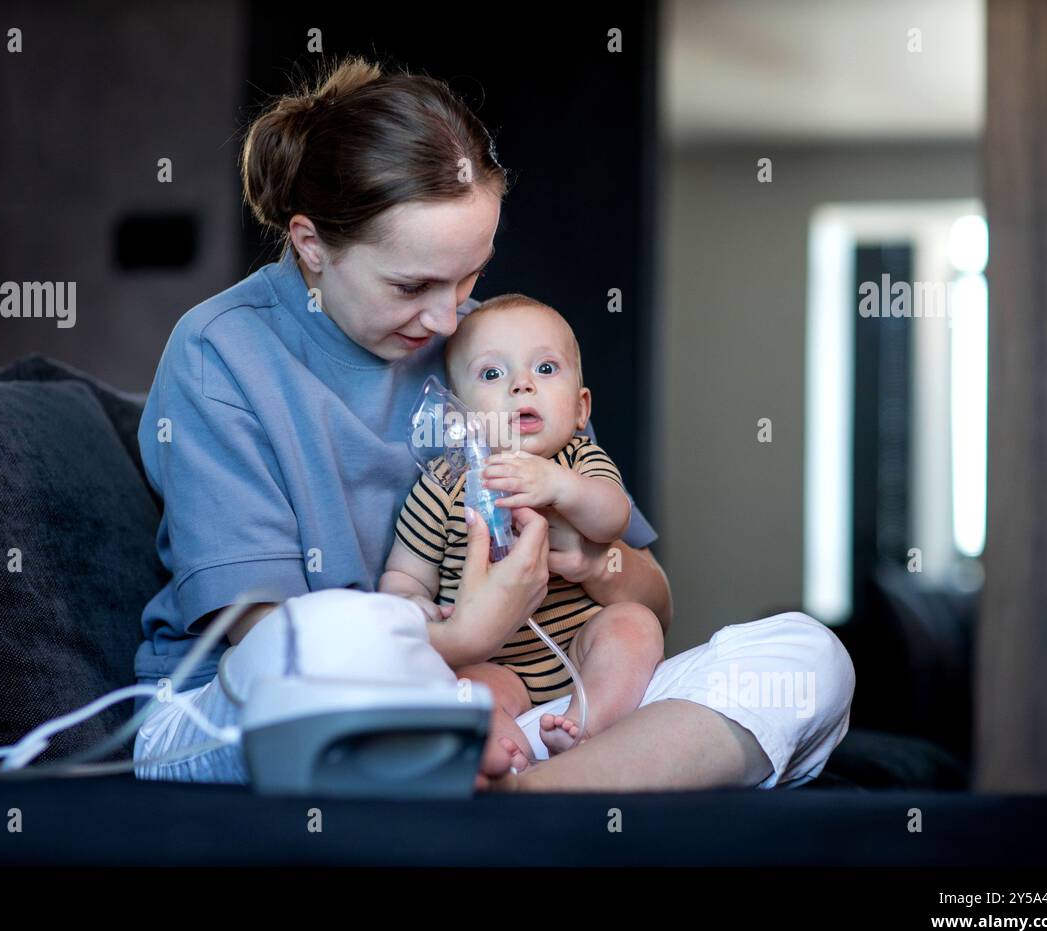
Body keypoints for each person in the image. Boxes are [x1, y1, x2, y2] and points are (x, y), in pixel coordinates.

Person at [131, 54, 855, 792]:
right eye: (412, 285)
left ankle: (530, 786)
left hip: (531, 696)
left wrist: (590, 561)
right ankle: (513, 759)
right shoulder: (221, 350)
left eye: (470, 277)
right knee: (330, 633)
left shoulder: (498, 353)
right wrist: (464, 635)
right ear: (312, 245)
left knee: (806, 660)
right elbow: (270, 640)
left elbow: (653, 599)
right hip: (273, 696)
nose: (449, 318)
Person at [378, 293, 664, 770]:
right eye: (493, 375)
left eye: (546, 370)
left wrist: (559, 487)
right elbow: (405, 575)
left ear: (580, 409)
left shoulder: (577, 461)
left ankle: (585, 729)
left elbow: (612, 519)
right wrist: (415, 604)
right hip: (495, 664)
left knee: (634, 625)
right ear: (458, 418)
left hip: (580, 645)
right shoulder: (444, 487)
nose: (522, 386)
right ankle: (507, 754)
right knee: (462, 690)